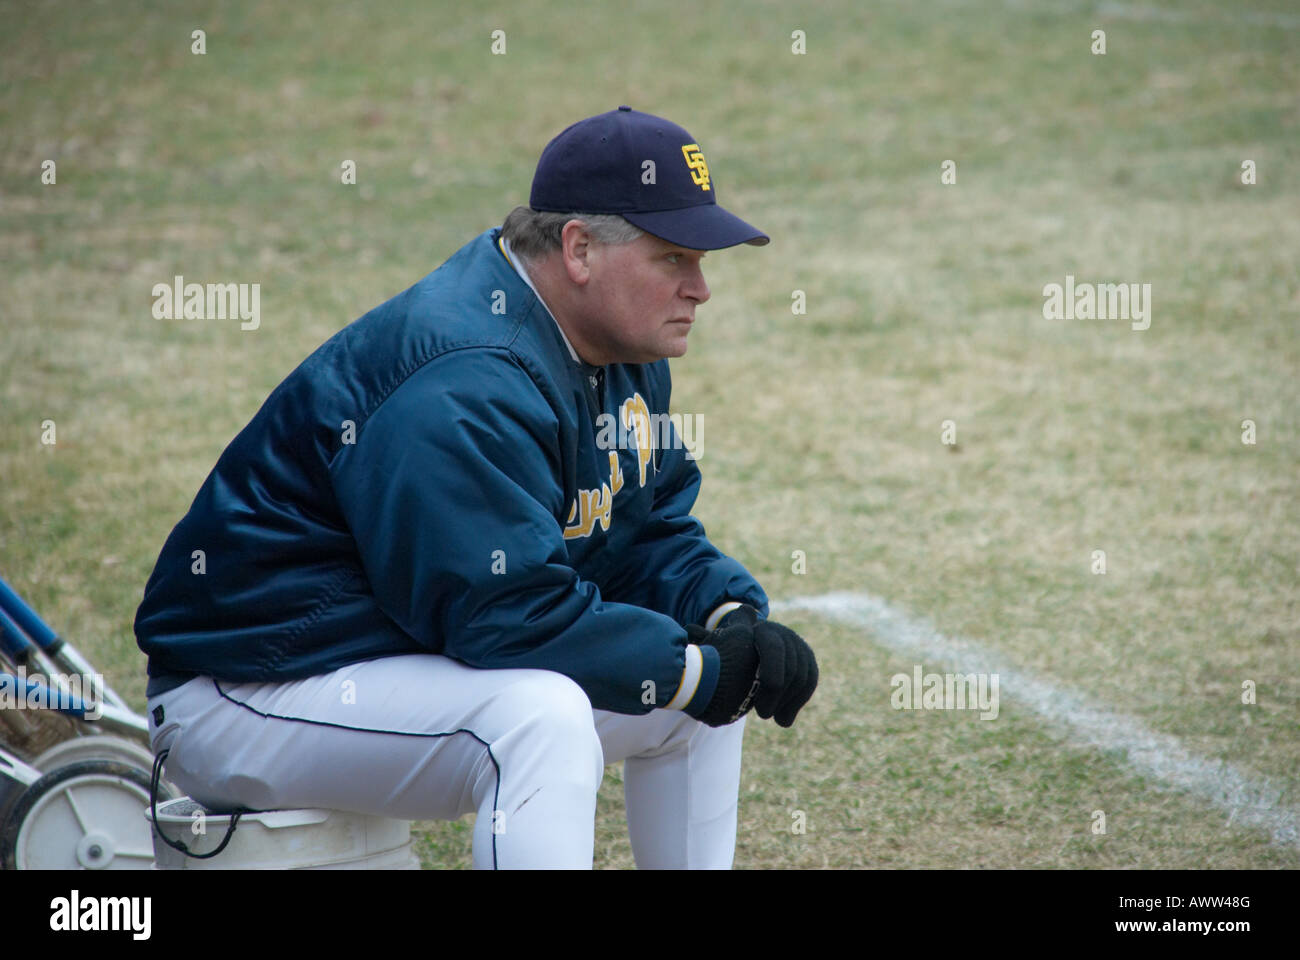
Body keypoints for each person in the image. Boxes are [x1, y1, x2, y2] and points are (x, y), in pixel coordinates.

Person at [135, 106, 818, 869]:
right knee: (544, 716)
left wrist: (726, 616)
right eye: (673, 259)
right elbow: (500, 613)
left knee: (698, 690)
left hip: (391, 660)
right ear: (580, 248)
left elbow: (646, 525)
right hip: (250, 688)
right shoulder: (463, 374)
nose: (701, 288)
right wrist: (693, 670)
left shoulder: (616, 341)